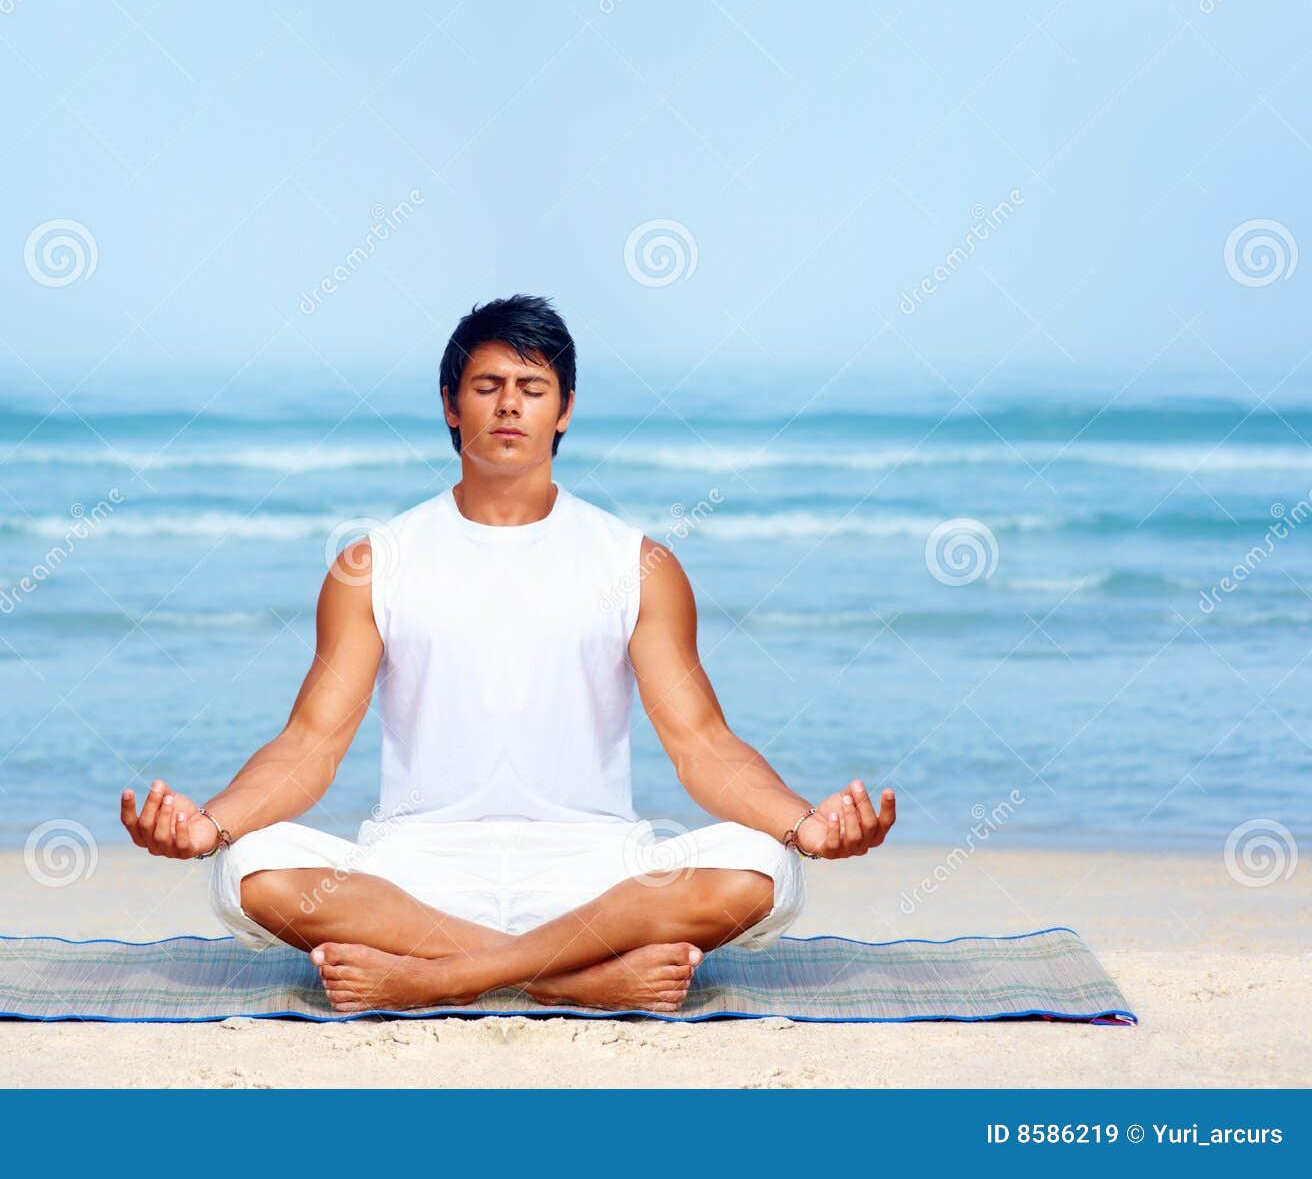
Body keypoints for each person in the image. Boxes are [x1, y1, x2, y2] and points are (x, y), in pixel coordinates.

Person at [120, 294, 894, 1013]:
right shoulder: (373, 561)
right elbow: (311, 744)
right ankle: (580, 979)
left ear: (565, 410)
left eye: (532, 384)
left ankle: (442, 976)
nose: (510, 403)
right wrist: (210, 824)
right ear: (451, 406)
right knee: (247, 866)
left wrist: (803, 824)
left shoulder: (636, 562)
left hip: (595, 874)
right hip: (416, 875)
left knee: (767, 865)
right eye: (487, 384)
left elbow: (702, 744)